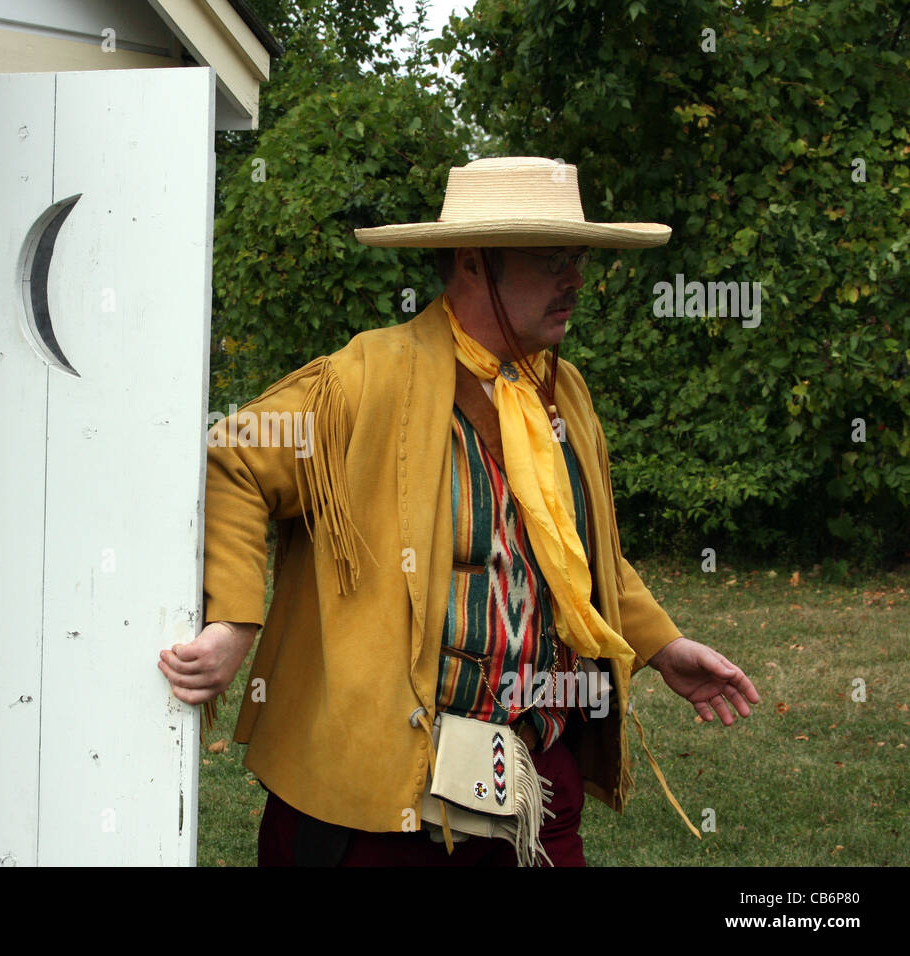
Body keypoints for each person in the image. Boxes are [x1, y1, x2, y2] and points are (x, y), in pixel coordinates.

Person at [159, 156, 760, 866]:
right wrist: (232, 620)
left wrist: (662, 646)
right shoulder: (364, 378)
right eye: (551, 261)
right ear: (474, 264)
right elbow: (233, 453)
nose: (576, 280)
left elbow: (575, 551)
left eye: (578, 259)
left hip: (537, 784)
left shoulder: (564, 395)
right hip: (382, 804)